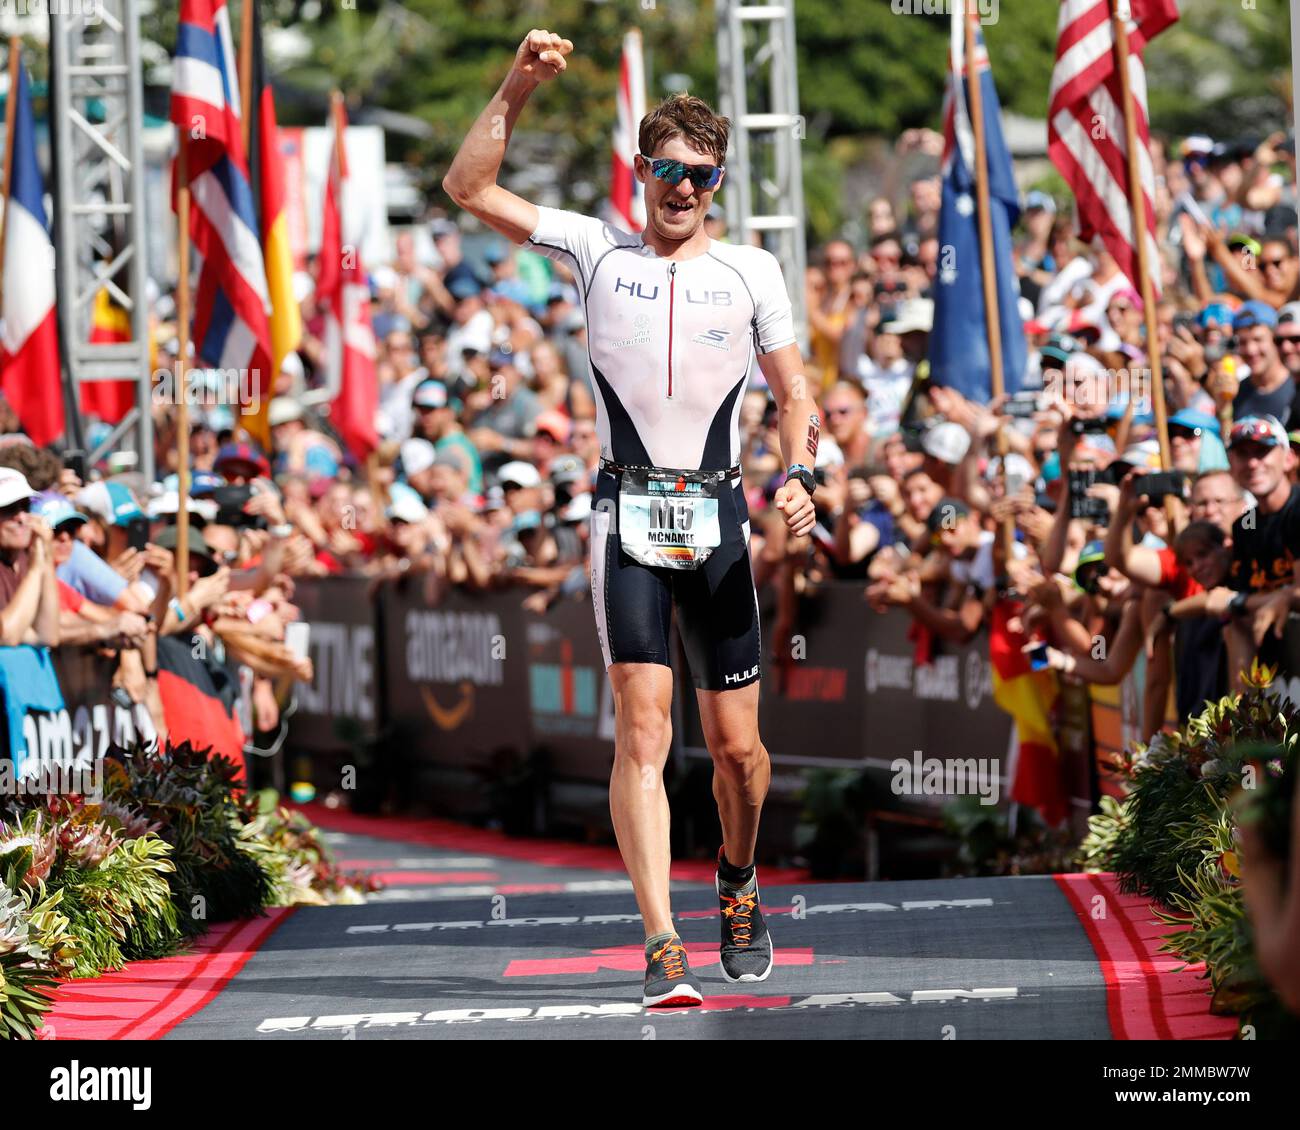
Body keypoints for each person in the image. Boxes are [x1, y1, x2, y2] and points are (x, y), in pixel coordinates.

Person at [443, 30, 816, 1008]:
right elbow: (468, 188)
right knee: (641, 729)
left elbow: (793, 388)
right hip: (627, 512)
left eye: (698, 174)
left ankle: (736, 876)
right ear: (640, 171)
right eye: (664, 170)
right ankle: (661, 939)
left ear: (719, 181)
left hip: (721, 512)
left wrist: (804, 466)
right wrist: (518, 83)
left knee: (738, 751)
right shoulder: (592, 244)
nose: (680, 188)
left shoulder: (752, 273)